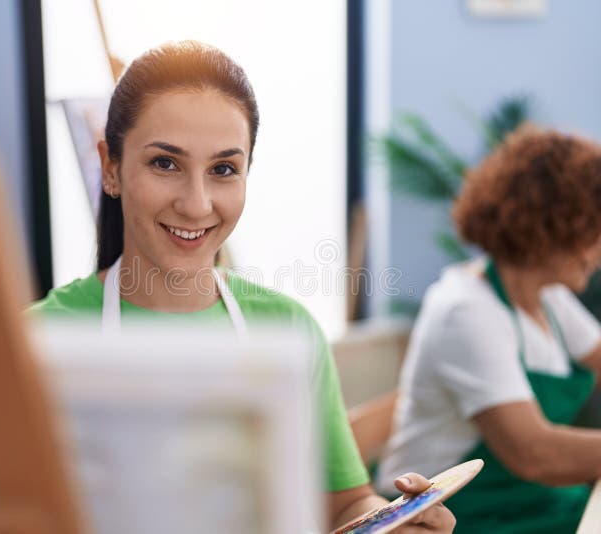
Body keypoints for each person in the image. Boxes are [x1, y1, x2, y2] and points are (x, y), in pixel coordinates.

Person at [31, 41, 455, 533]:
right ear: (110, 166)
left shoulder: (287, 330)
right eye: (165, 163)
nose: (196, 204)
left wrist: (392, 522)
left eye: (223, 169)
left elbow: (343, 505)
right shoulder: (36, 339)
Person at [376, 126, 601, 533]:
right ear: (553, 225)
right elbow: (537, 453)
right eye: (599, 234)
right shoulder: (467, 310)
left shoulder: (546, 296)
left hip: (526, 501)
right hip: (451, 519)